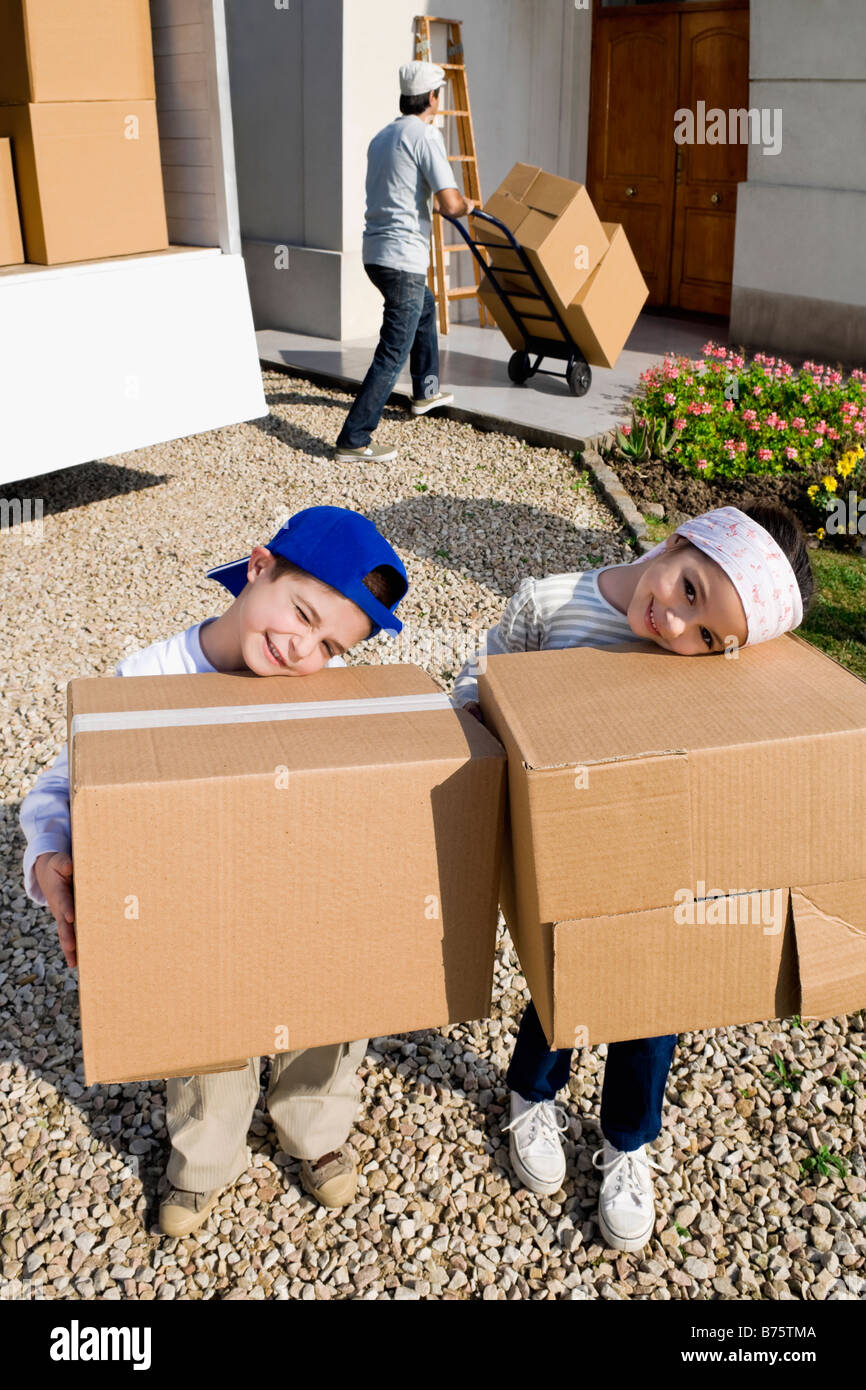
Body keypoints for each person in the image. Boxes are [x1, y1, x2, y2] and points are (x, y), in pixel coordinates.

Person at [19, 506, 409, 1238]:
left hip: (302, 899)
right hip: (197, 906)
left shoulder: (318, 696)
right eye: (301, 613)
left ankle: (313, 1126)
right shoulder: (149, 678)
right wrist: (49, 853)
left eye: (329, 645)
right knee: (205, 1029)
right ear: (258, 566)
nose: (301, 648)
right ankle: (203, 1157)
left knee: (333, 1004)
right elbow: (58, 784)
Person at [452, 503, 815, 1253]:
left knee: (652, 1001)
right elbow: (479, 682)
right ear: (682, 541)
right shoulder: (550, 602)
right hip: (563, 850)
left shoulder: (712, 673)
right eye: (688, 590)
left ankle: (626, 1138)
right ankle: (534, 1089)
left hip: (659, 859)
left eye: (709, 634)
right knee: (564, 983)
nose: (677, 626)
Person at [334, 60, 477, 464]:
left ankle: (426, 390)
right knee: (393, 349)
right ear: (433, 98)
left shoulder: (383, 137)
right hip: (403, 258)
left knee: (424, 309)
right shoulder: (425, 136)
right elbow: (449, 204)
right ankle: (354, 438)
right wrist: (466, 204)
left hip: (375, 253)